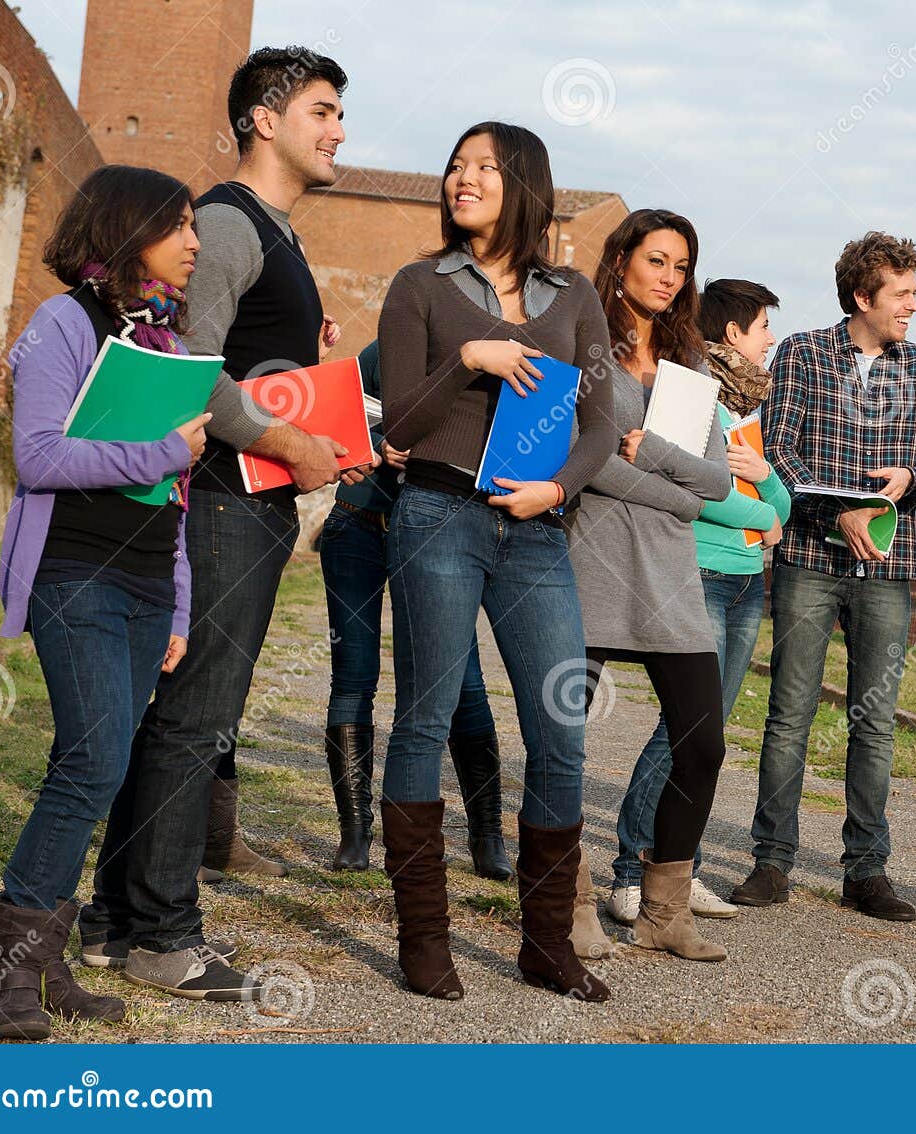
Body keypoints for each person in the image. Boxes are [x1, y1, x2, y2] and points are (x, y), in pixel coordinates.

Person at [77, 46, 374, 1000]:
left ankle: (116, 921)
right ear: (264, 119)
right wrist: (291, 444)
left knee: (186, 716)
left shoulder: (268, 233)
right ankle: (164, 932)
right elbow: (195, 372)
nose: (338, 131)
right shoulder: (228, 222)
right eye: (323, 112)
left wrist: (298, 359)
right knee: (197, 718)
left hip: (243, 507)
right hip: (219, 502)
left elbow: (236, 357)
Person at [0, 165, 215, 1038]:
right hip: (74, 577)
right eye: (180, 225)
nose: (195, 242)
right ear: (129, 229)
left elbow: (175, 503)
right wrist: (156, 451)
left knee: (88, 765)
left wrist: (182, 607)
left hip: (149, 584)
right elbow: (37, 456)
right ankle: (2, 981)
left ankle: (41, 965)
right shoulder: (60, 324)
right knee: (94, 764)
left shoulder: (169, 345)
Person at [378, 121, 619, 1002]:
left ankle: (547, 945)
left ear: (523, 186)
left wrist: (555, 494)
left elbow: (600, 426)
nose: (461, 178)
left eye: (483, 167)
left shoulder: (574, 300)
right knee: (426, 719)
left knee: (561, 728)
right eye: (455, 164)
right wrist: (466, 360)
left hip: (537, 531)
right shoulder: (418, 288)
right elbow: (397, 427)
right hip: (437, 512)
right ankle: (425, 940)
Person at [732, 231, 916, 921]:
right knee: (789, 715)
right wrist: (841, 515)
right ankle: (772, 862)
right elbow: (782, 452)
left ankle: (866, 871)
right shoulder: (800, 353)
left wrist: (910, 480)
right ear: (863, 296)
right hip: (809, 560)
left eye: (915, 292)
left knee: (876, 723)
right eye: (903, 293)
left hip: (888, 568)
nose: (913, 306)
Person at [570, 208, 733, 963]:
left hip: (668, 575)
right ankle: (564, 899)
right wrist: (671, 487)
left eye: (680, 267)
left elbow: (717, 482)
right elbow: (582, 460)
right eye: (656, 261)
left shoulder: (689, 370)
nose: (668, 278)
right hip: (586, 563)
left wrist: (657, 455)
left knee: (701, 739)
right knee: (560, 740)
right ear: (622, 260)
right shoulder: (583, 343)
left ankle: (664, 909)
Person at [604, 278, 790, 926]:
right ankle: (631, 869)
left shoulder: (750, 410)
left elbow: (782, 510)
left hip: (747, 585)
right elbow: (691, 491)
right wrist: (760, 502)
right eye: (765, 326)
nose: (771, 339)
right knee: (681, 732)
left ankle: (681, 870)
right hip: (701, 574)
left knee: (706, 738)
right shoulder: (688, 392)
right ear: (735, 333)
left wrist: (766, 490)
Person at [317, 341, 510, 880]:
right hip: (357, 523)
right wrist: (380, 443)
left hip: (438, 536)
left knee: (463, 680)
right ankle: (354, 835)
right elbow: (337, 411)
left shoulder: (490, 360)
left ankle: (487, 834)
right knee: (353, 674)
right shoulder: (390, 346)